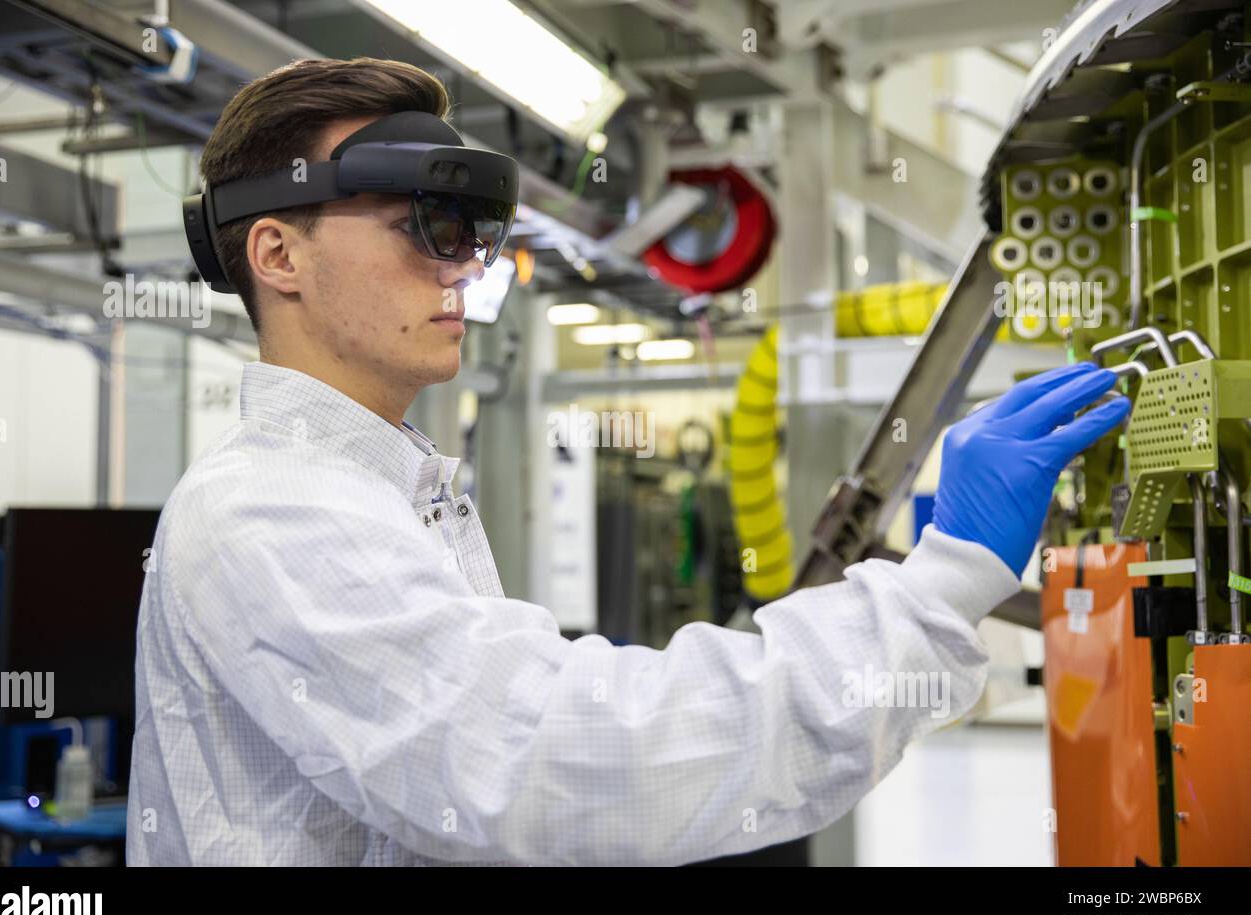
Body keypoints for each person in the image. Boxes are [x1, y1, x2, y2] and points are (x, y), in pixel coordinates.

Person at [126, 57, 1131, 866]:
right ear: (279, 256)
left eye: (471, 232)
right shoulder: (273, 510)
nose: (463, 263)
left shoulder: (383, 492)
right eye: (422, 226)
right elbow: (566, 758)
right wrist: (943, 585)